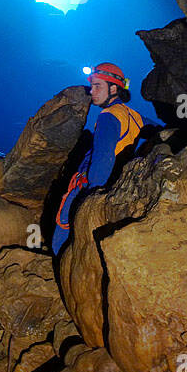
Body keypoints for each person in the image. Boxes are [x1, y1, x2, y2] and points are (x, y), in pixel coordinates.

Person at [52, 62, 144, 258]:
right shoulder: (135, 117)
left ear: (113, 88)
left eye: (97, 86)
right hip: (117, 186)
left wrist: (90, 196)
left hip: (90, 186)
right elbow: (157, 132)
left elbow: (103, 158)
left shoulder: (108, 116)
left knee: (60, 243)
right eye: (91, 86)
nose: (91, 91)